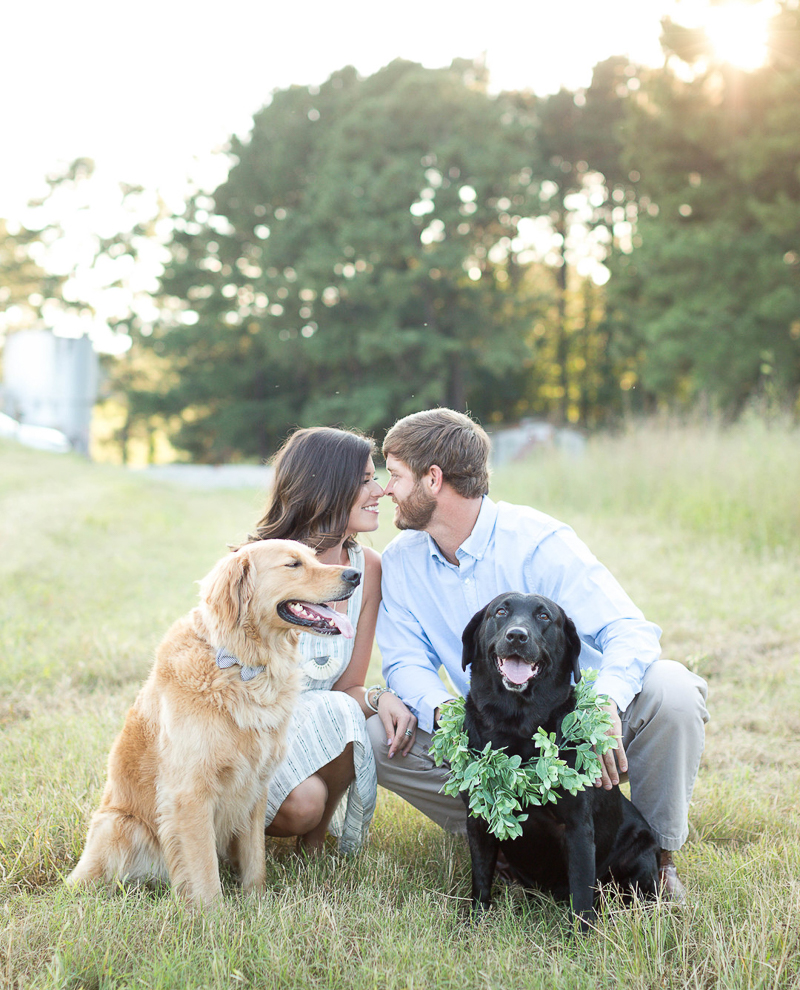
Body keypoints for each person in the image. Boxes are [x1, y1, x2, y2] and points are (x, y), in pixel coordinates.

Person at [367, 408, 709, 901]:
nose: (385, 489)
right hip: (489, 735)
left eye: (395, 476)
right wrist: (440, 711)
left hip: (578, 734)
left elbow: (629, 630)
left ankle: (659, 860)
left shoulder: (539, 540)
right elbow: (404, 662)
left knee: (674, 689)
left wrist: (605, 704)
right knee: (379, 737)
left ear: (433, 480)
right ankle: (508, 838)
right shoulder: (401, 562)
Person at [244, 426, 416, 856]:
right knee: (302, 804)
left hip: (317, 725)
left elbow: (346, 688)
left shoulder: (369, 569)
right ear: (325, 486)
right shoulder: (261, 566)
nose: (379, 491)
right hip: (255, 732)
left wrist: (380, 698)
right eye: (364, 481)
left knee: (346, 710)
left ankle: (315, 843)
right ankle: (232, 831)